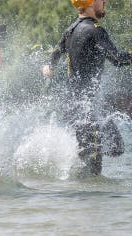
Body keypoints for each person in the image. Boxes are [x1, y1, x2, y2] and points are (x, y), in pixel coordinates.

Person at [42, 0, 132, 175]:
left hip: (77, 106)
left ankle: (76, 160)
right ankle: (82, 192)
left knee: (115, 147)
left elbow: (56, 52)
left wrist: (49, 66)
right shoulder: (95, 30)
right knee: (92, 170)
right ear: (90, 3)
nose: (104, 1)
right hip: (87, 110)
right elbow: (119, 59)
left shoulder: (70, 29)